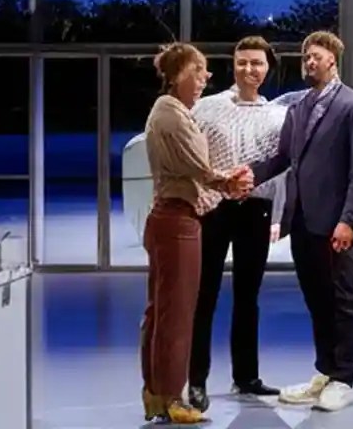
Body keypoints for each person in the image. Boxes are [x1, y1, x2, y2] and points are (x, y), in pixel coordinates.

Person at [250, 30, 353, 413]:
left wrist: (350, 221)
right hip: (304, 223)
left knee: (341, 303)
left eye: (316, 56)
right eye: (306, 56)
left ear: (332, 60)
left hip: (337, 225)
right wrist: (246, 178)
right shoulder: (300, 107)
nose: (309, 62)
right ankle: (324, 372)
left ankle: (343, 379)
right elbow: (283, 158)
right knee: (317, 302)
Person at [140, 42, 254, 424]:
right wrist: (228, 182)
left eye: (205, 70)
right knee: (176, 314)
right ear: (175, 76)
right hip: (177, 222)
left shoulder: (172, 111)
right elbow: (201, 169)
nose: (205, 78)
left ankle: (157, 393)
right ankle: (172, 397)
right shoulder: (171, 115)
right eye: (198, 70)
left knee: (162, 311)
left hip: (170, 218)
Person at [185, 36, 286, 411]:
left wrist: (275, 214)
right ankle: (196, 380)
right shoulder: (206, 108)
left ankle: (247, 376)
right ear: (233, 65)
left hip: (255, 210)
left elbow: (280, 170)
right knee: (204, 296)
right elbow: (191, 159)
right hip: (212, 208)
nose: (249, 69)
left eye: (257, 63)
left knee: (248, 297)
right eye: (242, 62)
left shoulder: (279, 116)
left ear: (267, 68)